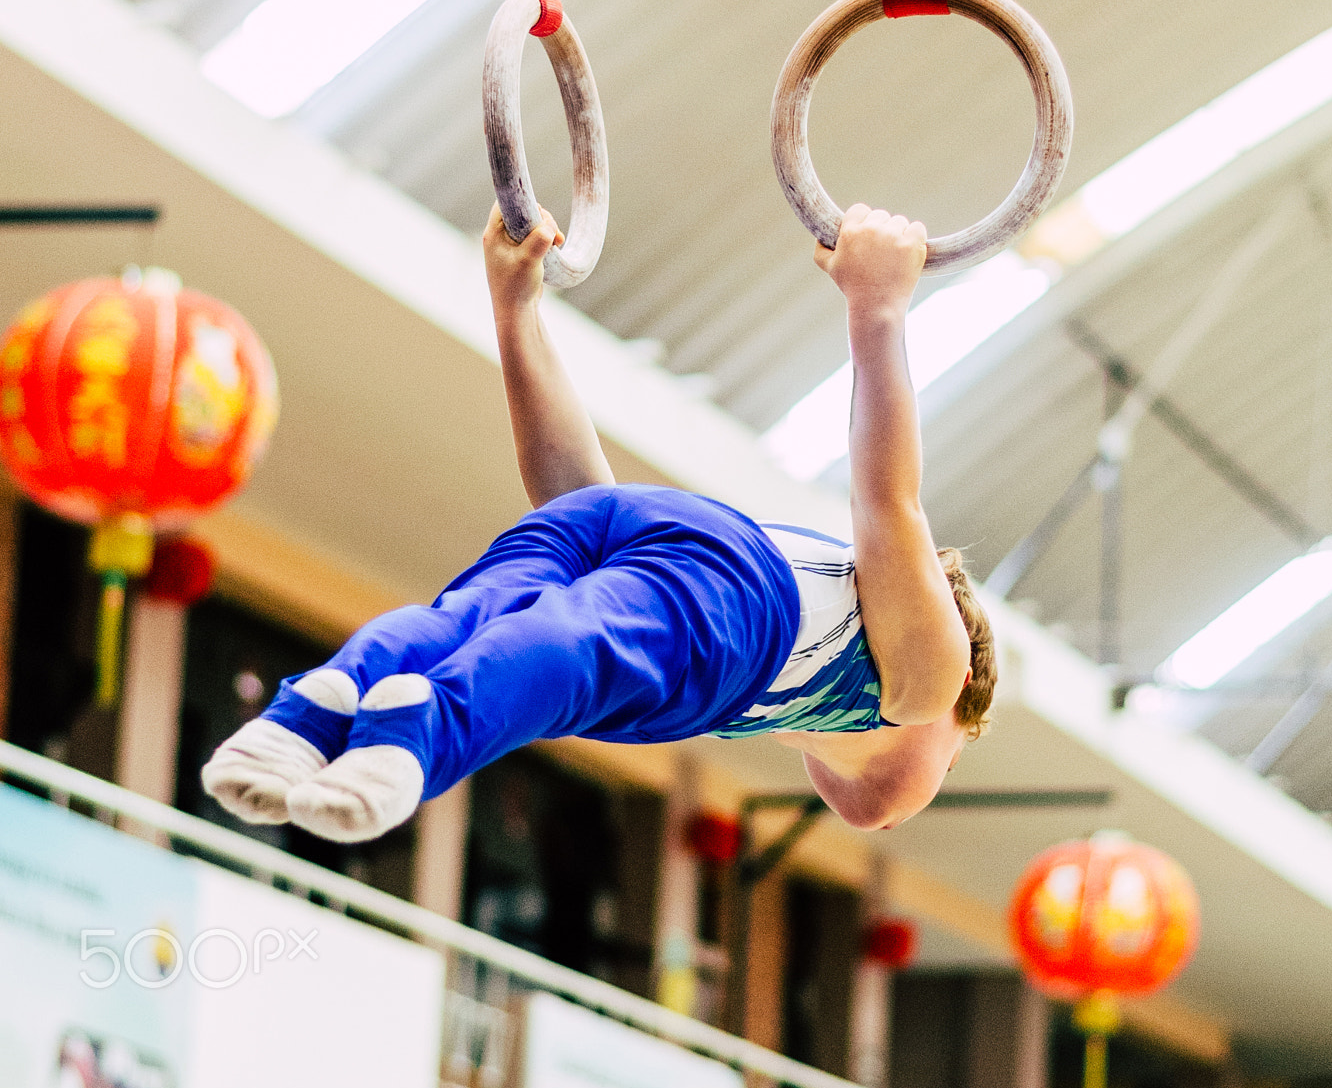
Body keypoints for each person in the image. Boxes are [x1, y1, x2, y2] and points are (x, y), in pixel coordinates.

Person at [203, 203, 995, 843]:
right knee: (567, 658)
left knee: (472, 617)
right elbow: (887, 499)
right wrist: (877, 310)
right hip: (741, 608)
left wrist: (515, 308)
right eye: (956, 762)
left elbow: (575, 498)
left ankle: (309, 713)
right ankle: (422, 732)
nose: (927, 792)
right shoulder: (925, 681)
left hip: (631, 526)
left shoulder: (800, 706)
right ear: (964, 689)